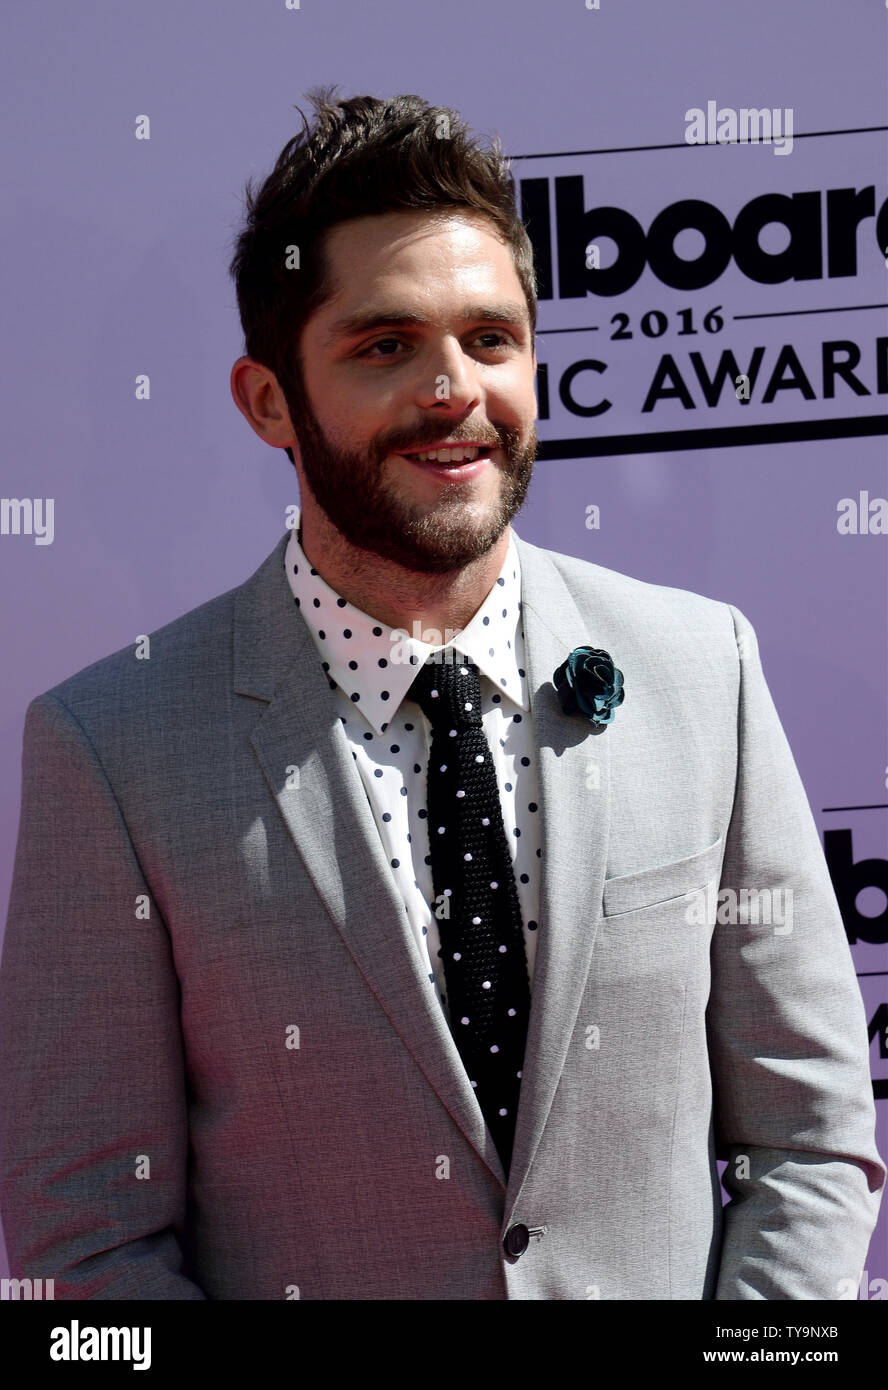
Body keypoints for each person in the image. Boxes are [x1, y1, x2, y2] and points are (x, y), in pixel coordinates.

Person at [0, 89, 883, 1301]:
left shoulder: (702, 669)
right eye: (384, 345)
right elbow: (83, 1257)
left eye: (491, 338)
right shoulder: (113, 748)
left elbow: (813, 1141)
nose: (452, 388)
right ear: (270, 402)